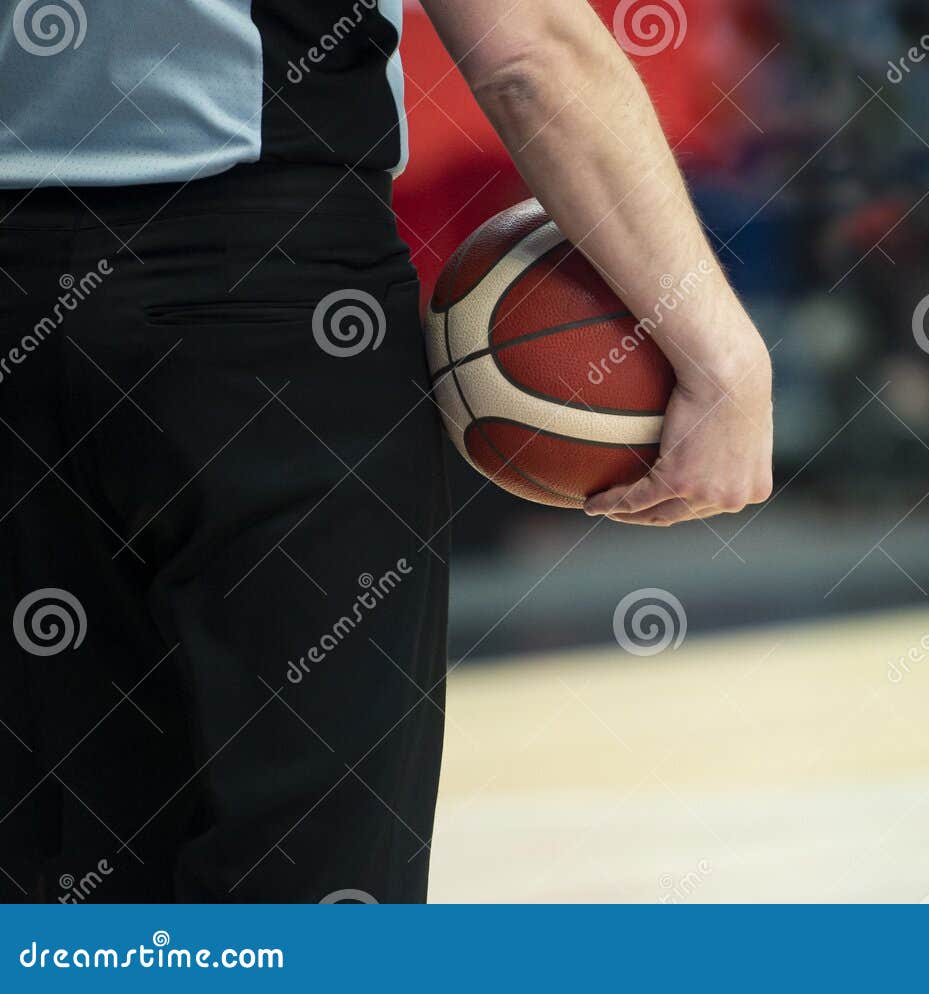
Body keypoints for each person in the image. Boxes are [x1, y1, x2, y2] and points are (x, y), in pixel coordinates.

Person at [0, 0, 772, 903]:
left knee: (58, 880)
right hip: (265, 308)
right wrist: (723, 360)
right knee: (313, 886)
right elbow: (530, 53)